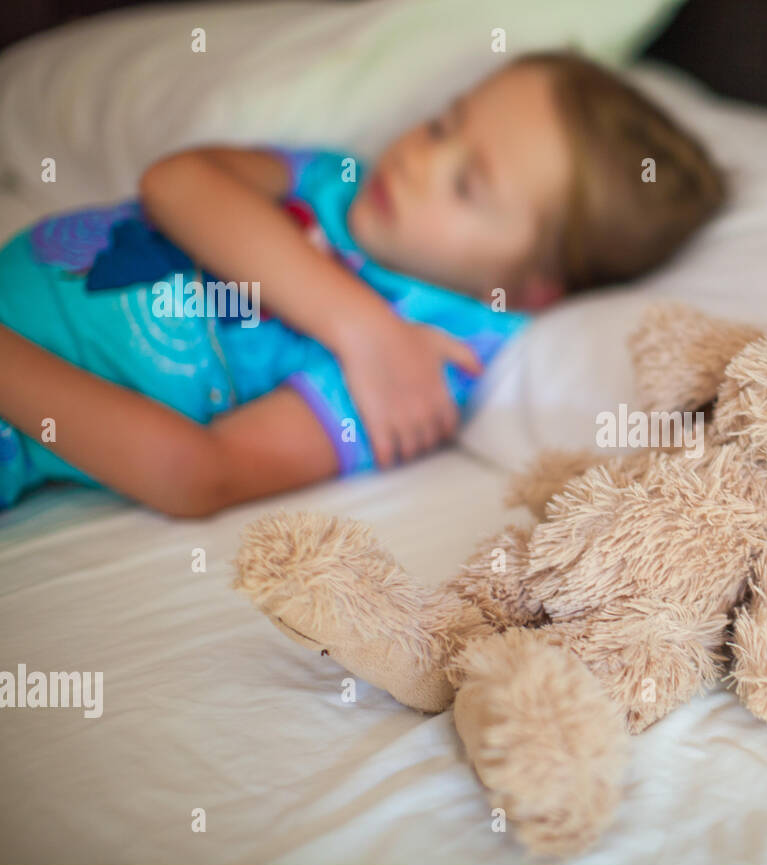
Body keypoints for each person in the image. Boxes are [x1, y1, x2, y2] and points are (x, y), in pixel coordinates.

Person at [0, 51, 726, 516]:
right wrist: (360, 328)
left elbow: (198, 475)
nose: (417, 159)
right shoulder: (335, 180)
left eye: (467, 184)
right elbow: (175, 185)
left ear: (536, 287)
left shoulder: (430, 363)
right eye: (444, 125)